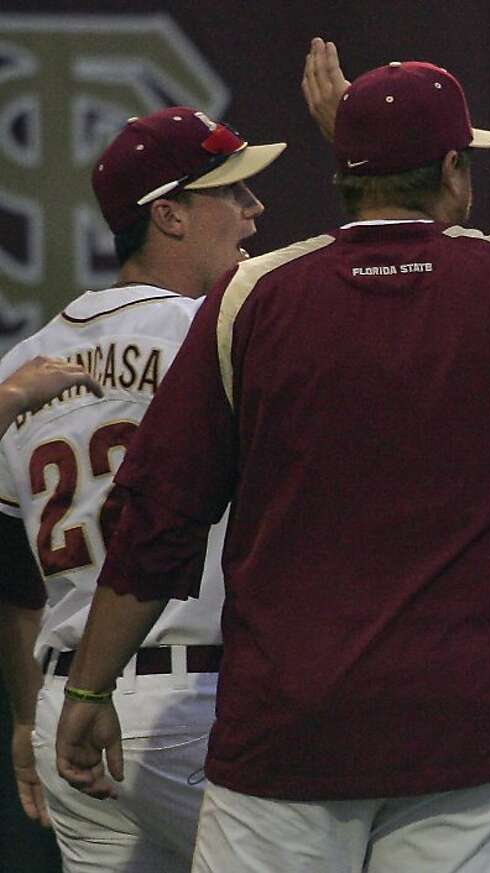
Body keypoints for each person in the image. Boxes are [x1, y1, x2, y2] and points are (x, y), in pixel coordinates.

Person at [53, 15, 490, 873]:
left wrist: (90, 683)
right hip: (465, 731)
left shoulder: (254, 300)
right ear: (455, 170)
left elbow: (158, 512)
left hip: (289, 733)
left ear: (344, 170)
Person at [0, 106, 282, 872]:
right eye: (232, 192)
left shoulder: (23, 365)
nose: (254, 212)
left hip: (70, 707)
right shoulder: (227, 335)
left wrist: (29, 717)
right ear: (168, 214)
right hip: (196, 696)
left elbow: (13, 579)